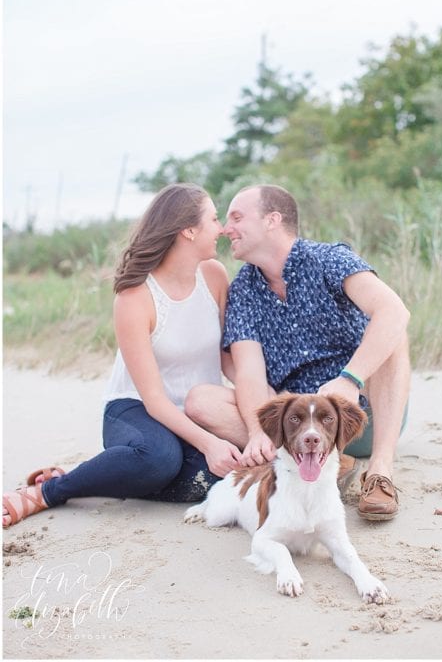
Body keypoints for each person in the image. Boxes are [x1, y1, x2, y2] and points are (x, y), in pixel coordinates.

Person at [3, 184, 242, 528]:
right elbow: (155, 400)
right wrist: (210, 443)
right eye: (215, 219)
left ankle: (105, 474)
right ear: (188, 230)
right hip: (136, 410)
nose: (221, 229)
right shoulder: (135, 297)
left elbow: (227, 359)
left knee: (225, 471)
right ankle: (50, 491)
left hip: (197, 409)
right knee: (160, 460)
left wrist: (263, 398)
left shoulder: (215, 276)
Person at [185, 184, 411, 521]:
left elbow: (396, 312)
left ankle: (380, 470)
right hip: (296, 427)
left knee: (393, 334)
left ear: (272, 220)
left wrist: (349, 379)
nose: (226, 229)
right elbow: (249, 372)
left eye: (236, 217)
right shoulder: (244, 289)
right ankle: (334, 465)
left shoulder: (329, 260)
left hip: (360, 414)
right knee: (201, 400)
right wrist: (258, 429)